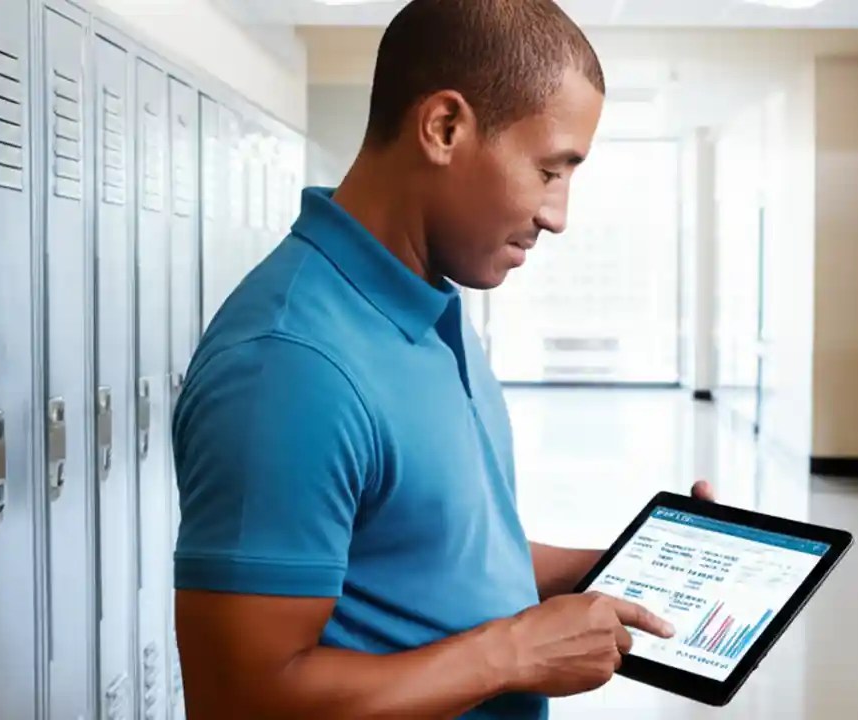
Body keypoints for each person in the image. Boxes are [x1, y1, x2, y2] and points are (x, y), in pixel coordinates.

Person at [171, 0, 715, 717]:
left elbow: (445, 554)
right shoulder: (288, 366)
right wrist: (512, 653)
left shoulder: (429, 305)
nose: (557, 215)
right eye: (549, 171)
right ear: (445, 128)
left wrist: (627, 571)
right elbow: (240, 699)